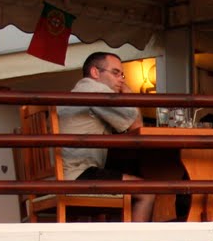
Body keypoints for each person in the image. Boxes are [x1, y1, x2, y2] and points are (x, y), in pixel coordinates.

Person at [57, 52, 155, 222]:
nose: (121, 80)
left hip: (60, 175)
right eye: (115, 73)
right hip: (78, 175)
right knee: (147, 192)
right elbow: (136, 125)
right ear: (95, 72)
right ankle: (136, 240)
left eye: (122, 75)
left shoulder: (78, 91)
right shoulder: (95, 90)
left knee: (122, 175)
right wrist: (129, 94)